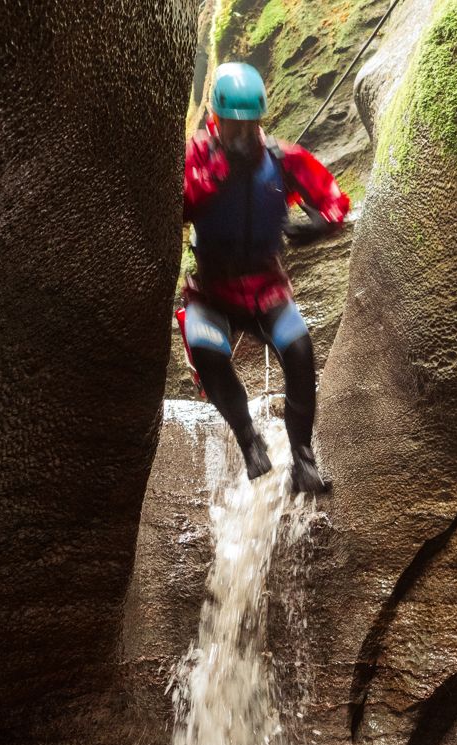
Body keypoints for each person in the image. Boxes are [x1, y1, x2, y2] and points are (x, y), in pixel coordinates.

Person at [176, 61, 350, 493]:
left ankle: (303, 461)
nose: (240, 133)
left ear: (259, 120)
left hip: (265, 287)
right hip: (213, 291)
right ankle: (249, 440)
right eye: (232, 125)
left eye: (248, 124)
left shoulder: (282, 159)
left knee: (300, 350)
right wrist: (216, 178)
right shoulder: (196, 158)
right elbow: (175, 200)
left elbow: (333, 199)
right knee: (206, 352)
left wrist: (321, 222)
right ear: (216, 121)